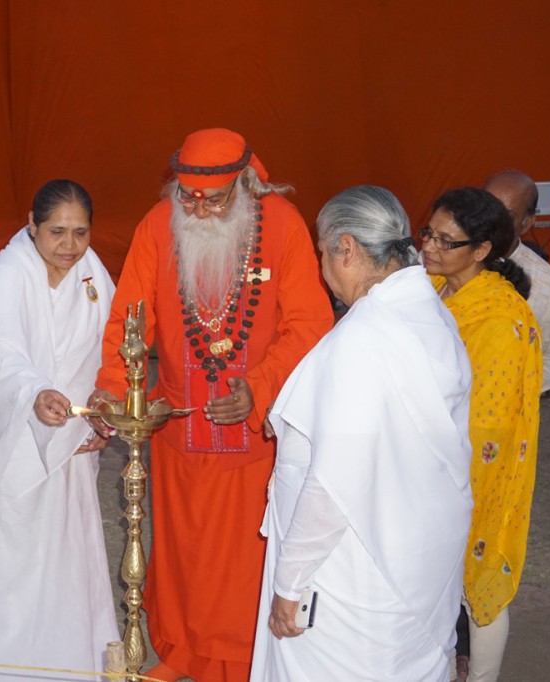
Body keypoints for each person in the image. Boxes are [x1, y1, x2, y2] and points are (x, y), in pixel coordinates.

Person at [90, 128, 333, 681]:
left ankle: (244, 662)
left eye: (215, 200)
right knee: (187, 553)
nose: (198, 210)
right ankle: (185, 653)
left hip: (256, 441)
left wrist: (259, 386)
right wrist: (113, 385)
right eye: (188, 196)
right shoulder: (159, 224)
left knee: (243, 560)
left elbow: (309, 324)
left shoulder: (283, 226)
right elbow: (129, 318)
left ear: (245, 185)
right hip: (180, 432)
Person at [249, 185, 474, 681]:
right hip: (419, 558)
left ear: (347, 249)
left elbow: (334, 482)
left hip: (354, 569)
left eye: (323, 253)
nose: (322, 268)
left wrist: (290, 581)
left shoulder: (364, 338)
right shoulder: (431, 314)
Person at [0, 180, 119, 680]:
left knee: (67, 554)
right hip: (14, 442)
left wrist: (101, 406)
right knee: (8, 555)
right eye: (57, 231)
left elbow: (109, 348)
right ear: (32, 226)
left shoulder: (93, 273)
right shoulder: (8, 274)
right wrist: (34, 394)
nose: (69, 245)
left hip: (72, 441)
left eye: (80, 232)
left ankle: (66, 665)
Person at [421, 187, 542, 682]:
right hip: (429, 457)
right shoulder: (432, 291)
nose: (429, 246)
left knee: (479, 578)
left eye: (445, 241)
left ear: (481, 250)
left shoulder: (499, 315)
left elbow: (488, 422)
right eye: (428, 233)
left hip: (477, 468)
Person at [484, 170, 550, 392]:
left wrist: (512, 387)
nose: (490, 221)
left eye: (506, 216)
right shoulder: (440, 256)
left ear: (526, 224)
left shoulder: (547, 285)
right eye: (486, 208)